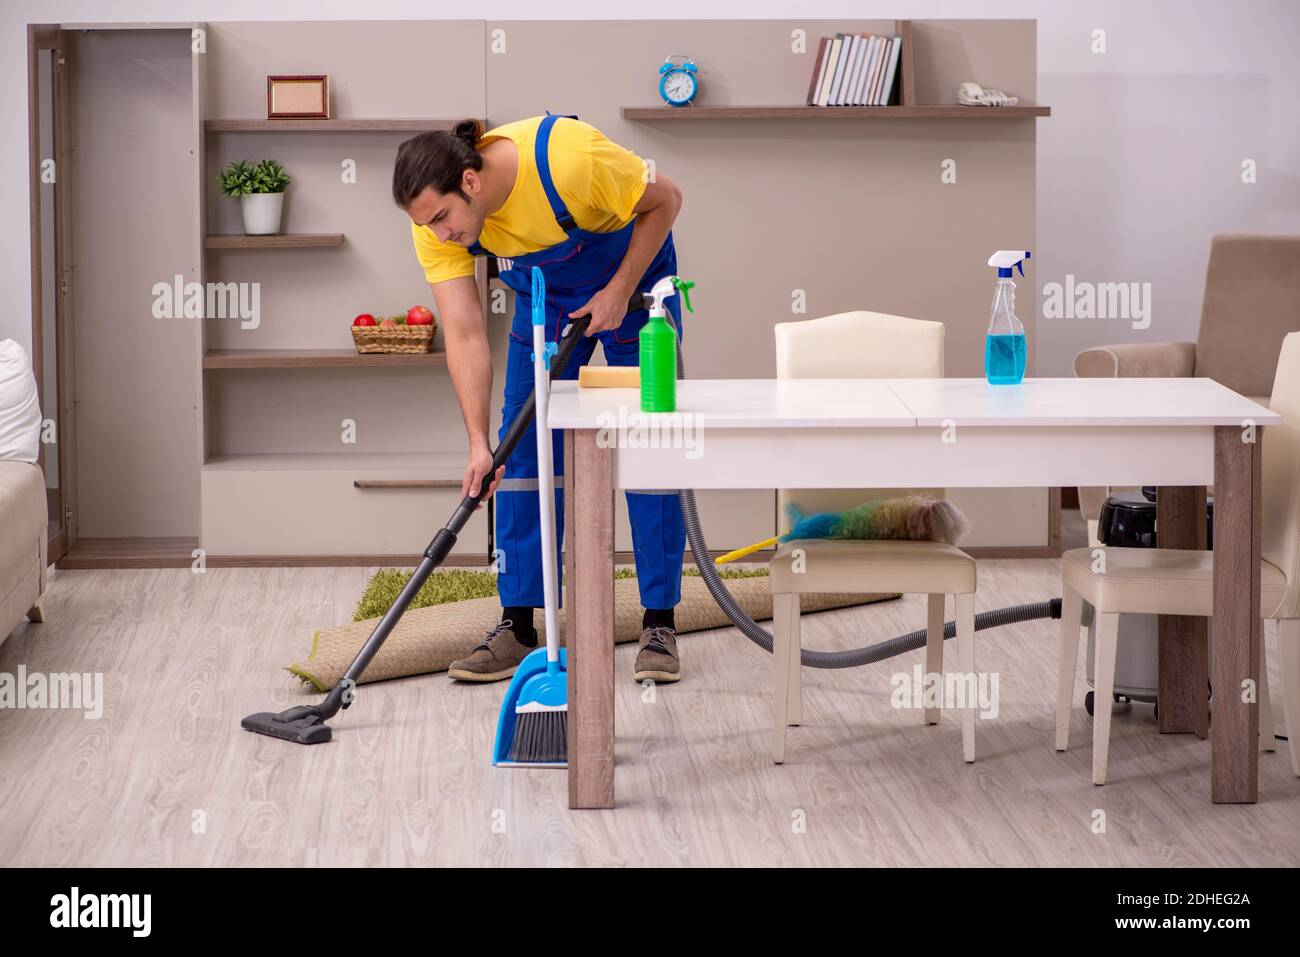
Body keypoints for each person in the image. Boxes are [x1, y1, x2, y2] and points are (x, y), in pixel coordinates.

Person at [392, 113, 687, 685]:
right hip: (545, 305)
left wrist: (619, 290)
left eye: (442, 218)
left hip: (634, 287)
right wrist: (479, 444)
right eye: (425, 224)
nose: (438, 234)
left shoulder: (570, 159)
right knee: (520, 456)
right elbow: (466, 332)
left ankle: (659, 622)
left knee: (651, 450)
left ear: (471, 183)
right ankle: (520, 622)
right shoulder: (434, 223)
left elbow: (667, 199)